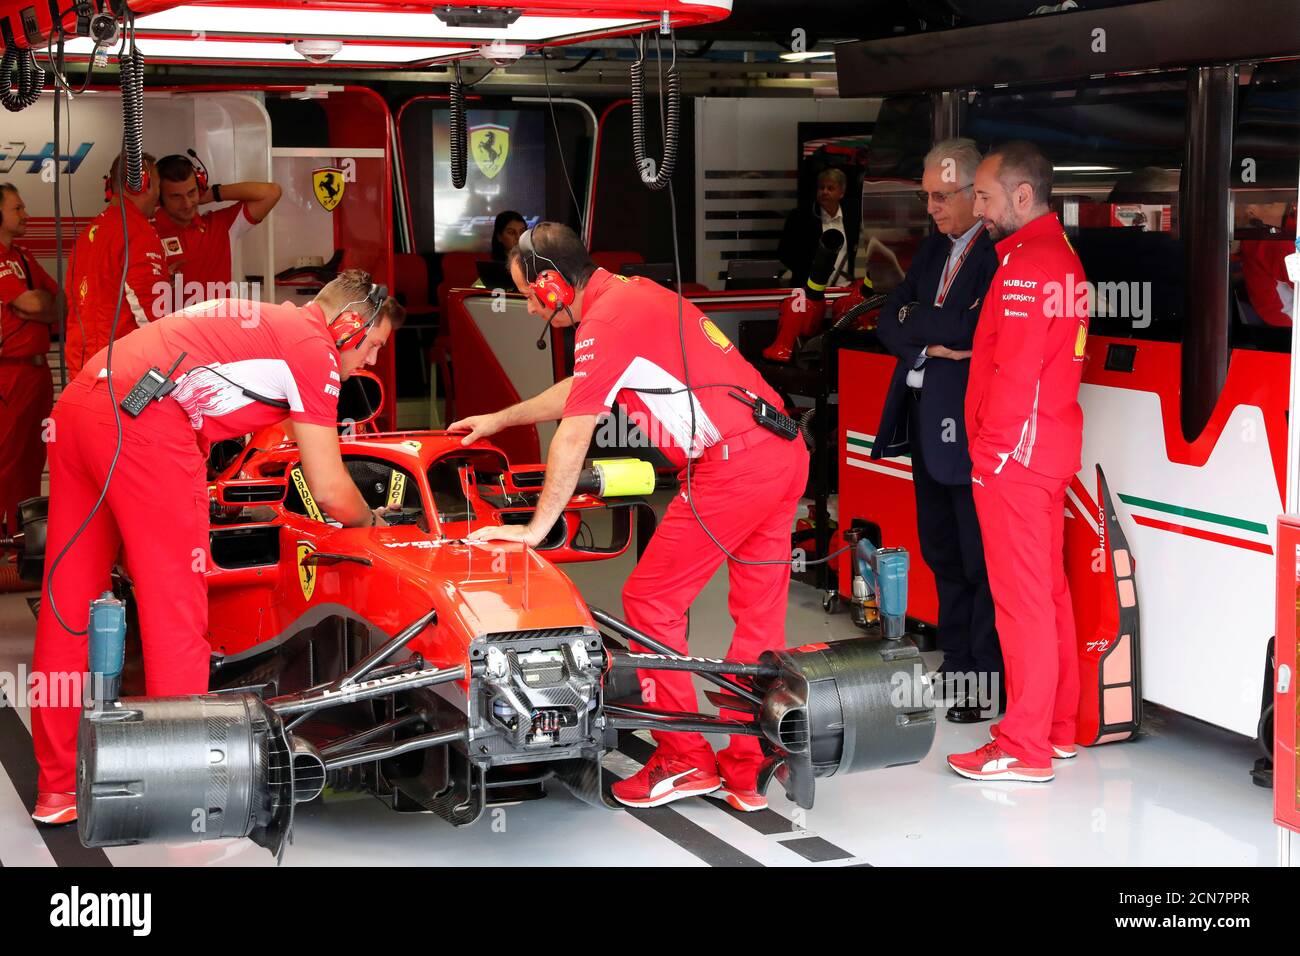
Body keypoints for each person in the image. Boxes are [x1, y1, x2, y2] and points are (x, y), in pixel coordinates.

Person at [449, 222, 809, 812]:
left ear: (551, 283)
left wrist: (535, 528)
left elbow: (572, 437)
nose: (530, 307)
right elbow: (584, 387)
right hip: (781, 450)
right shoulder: (630, 295)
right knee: (758, 616)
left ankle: (685, 759)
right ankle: (747, 769)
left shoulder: (606, 320)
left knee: (650, 602)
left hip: (732, 467)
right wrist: (500, 418)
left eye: (529, 295)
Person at [29, 269, 405, 825]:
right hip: (147, 424)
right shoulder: (314, 348)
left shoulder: (273, 327)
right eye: (373, 345)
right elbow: (327, 488)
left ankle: (57, 791)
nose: (370, 361)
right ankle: (179, 804)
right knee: (176, 607)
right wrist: (373, 522)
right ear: (349, 325)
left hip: (83, 403)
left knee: (68, 602)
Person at [948, 141, 1088, 783]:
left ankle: (1023, 746)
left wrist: (993, 453)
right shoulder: (1055, 257)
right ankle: (1056, 729)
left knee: (1021, 602)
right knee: (1048, 595)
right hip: (1045, 451)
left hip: (1017, 459)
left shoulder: (1032, 265)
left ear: (1022, 196)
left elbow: (1018, 374)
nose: (976, 209)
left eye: (984, 195)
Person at [870, 139, 1001, 723]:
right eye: (926, 196)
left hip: (968, 425)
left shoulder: (996, 254)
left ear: (977, 194)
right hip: (923, 416)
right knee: (941, 548)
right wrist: (932, 334)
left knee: (978, 555)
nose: (931, 207)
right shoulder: (930, 252)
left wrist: (920, 324)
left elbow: (968, 327)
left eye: (941, 196)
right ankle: (957, 660)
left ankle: (985, 672)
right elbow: (887, 315)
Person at [63, 153, 167, 380]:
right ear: (143, 183)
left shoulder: (88, 234)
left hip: (82, 369)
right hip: (121, 374)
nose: (159, 197)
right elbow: (150, 313)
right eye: (157, 186)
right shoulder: (138, 231)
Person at [0, 184, 59, 537]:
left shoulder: (23, 256)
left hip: (37, 372)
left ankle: (23, 535)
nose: (26, 215)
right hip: (8, 373)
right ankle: (5, 536)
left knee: (31, 460)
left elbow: (58, 302)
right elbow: (32, 304)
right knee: (6, 457)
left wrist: (38, 305)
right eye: (18, 208)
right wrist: (36, 305)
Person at [152, 153, 282, 294]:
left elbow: (271, 193)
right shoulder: (148, 233)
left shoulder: (221, 225)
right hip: (169, 316)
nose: (187, 204)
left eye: (191, 192)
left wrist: (213, 193)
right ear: (159, 197)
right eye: (176, 196)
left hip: (222, 316)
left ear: (200, 189)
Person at [778, 167, 859, 288]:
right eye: (821, 187)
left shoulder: (851, 218)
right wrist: (810, 272)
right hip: (809, 289)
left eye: (830, 188)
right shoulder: (800, 217)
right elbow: (784, 253)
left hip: (843, 289)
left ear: (842, 193)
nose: (825, 192)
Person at [1238, 194, 1296, 327]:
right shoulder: (1276, 241)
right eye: (1270, 202)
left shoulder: (1273, 232)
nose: (1250, 207)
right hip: (1286, 316)